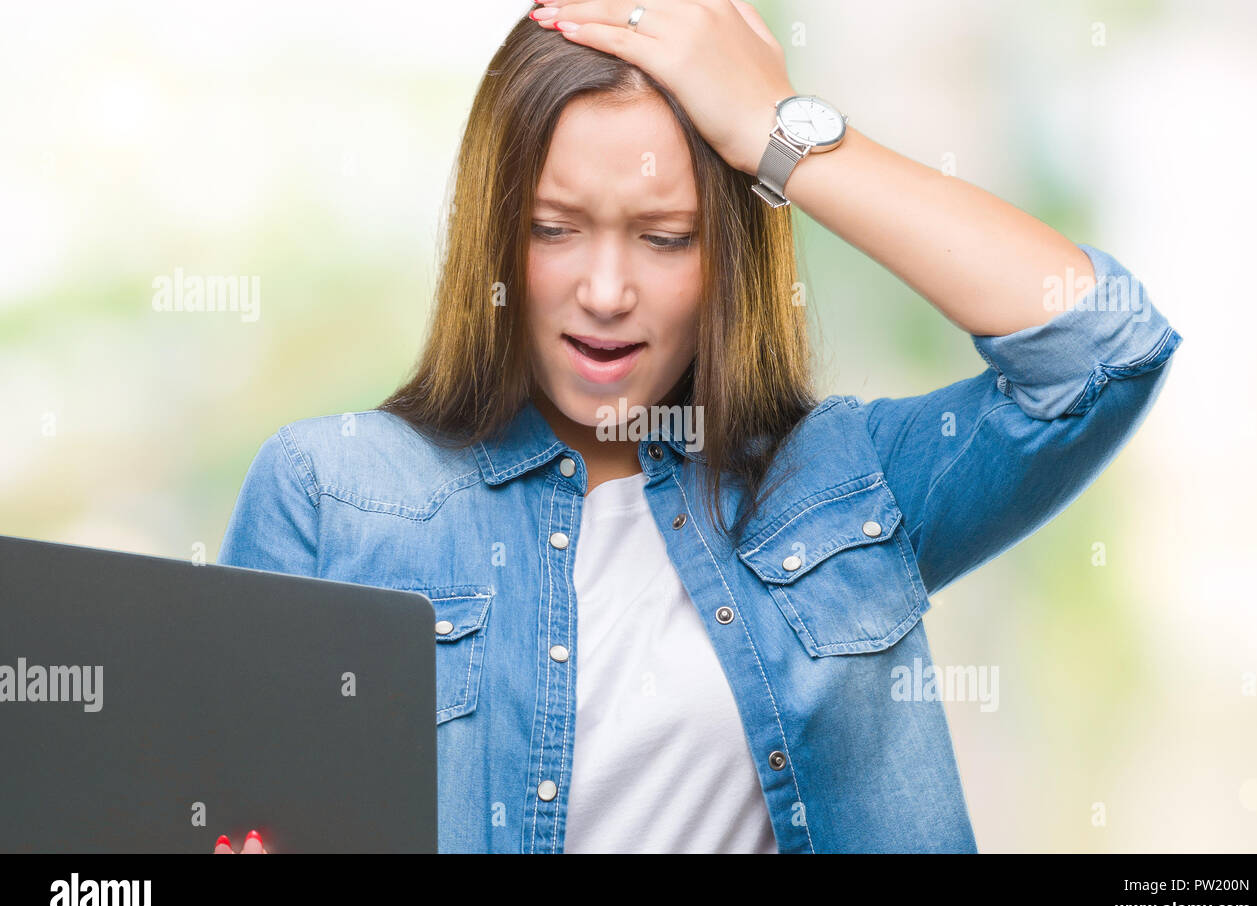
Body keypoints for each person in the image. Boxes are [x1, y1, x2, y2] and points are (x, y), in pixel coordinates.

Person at [216, 1, 1183, 853]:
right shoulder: (330, 492)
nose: (605, 292)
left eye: (665, 237)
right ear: (496, 235)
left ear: (728, 256)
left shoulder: (845, 487)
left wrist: (782, 131)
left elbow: (1102, 346)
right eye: (555, 228)